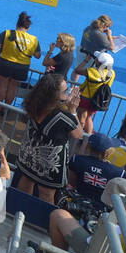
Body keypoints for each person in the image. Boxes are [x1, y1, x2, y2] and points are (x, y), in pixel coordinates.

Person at [15, 72, 83, 203]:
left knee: (26, 179)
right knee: (47, 192)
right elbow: (78, 134)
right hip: (50, 161)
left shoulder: (33, 102)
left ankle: (19, 208)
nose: (68, 93)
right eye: (65, 90)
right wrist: (73, 110)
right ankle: (40, 220)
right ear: (54, 94)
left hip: (30, 151)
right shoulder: (62, 117)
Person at [0, 12, 41, 105]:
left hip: (5, 62)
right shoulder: (34, 39)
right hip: (22, 66)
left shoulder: (7, 33)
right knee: (13, 88)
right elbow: (37, 56)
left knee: (2, 86)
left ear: (17, 24)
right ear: (28, 28)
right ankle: (6, 108)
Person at [76, 50, 115, 135]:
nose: (95, 59)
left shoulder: (92, 72)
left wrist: (86, 60)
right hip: (97, 99)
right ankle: (88, 136)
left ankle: (78, 135)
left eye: (96, 58)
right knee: (89, 117)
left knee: (82, 116)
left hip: (86, 98)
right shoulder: (112, 73)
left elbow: (77, 70)